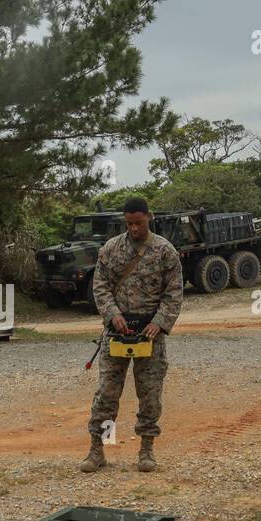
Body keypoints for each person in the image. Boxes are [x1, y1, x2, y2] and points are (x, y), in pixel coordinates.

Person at [81, 198, 184, 473]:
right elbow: (100, 285)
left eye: (139, 223)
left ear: (149, 217)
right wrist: (112, 313)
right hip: (117, 332)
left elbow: (174, 292)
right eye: (129, 224)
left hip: (149, 335)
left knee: (149, 393)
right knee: (106, 393)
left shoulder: (165, 251)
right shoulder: (111, 249)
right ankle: (96, 449)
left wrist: (160, 323)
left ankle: (146, 450)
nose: (134, 228)